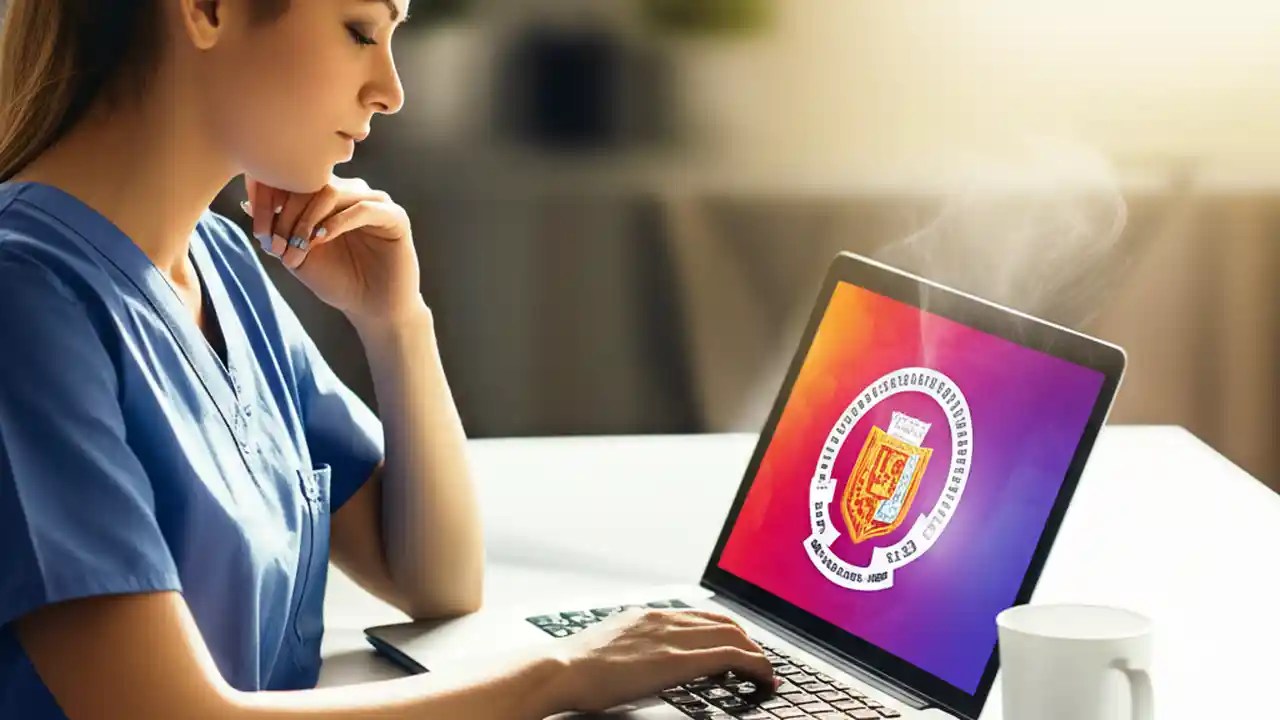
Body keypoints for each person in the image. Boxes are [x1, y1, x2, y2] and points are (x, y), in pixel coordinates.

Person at [0, 1, 777, 718]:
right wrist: (563, 672)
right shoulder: (25, 305)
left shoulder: (218, 265)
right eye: (361, 32)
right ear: (206, 8)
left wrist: (397, 323)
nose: (389, 90)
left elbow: (435, 579)